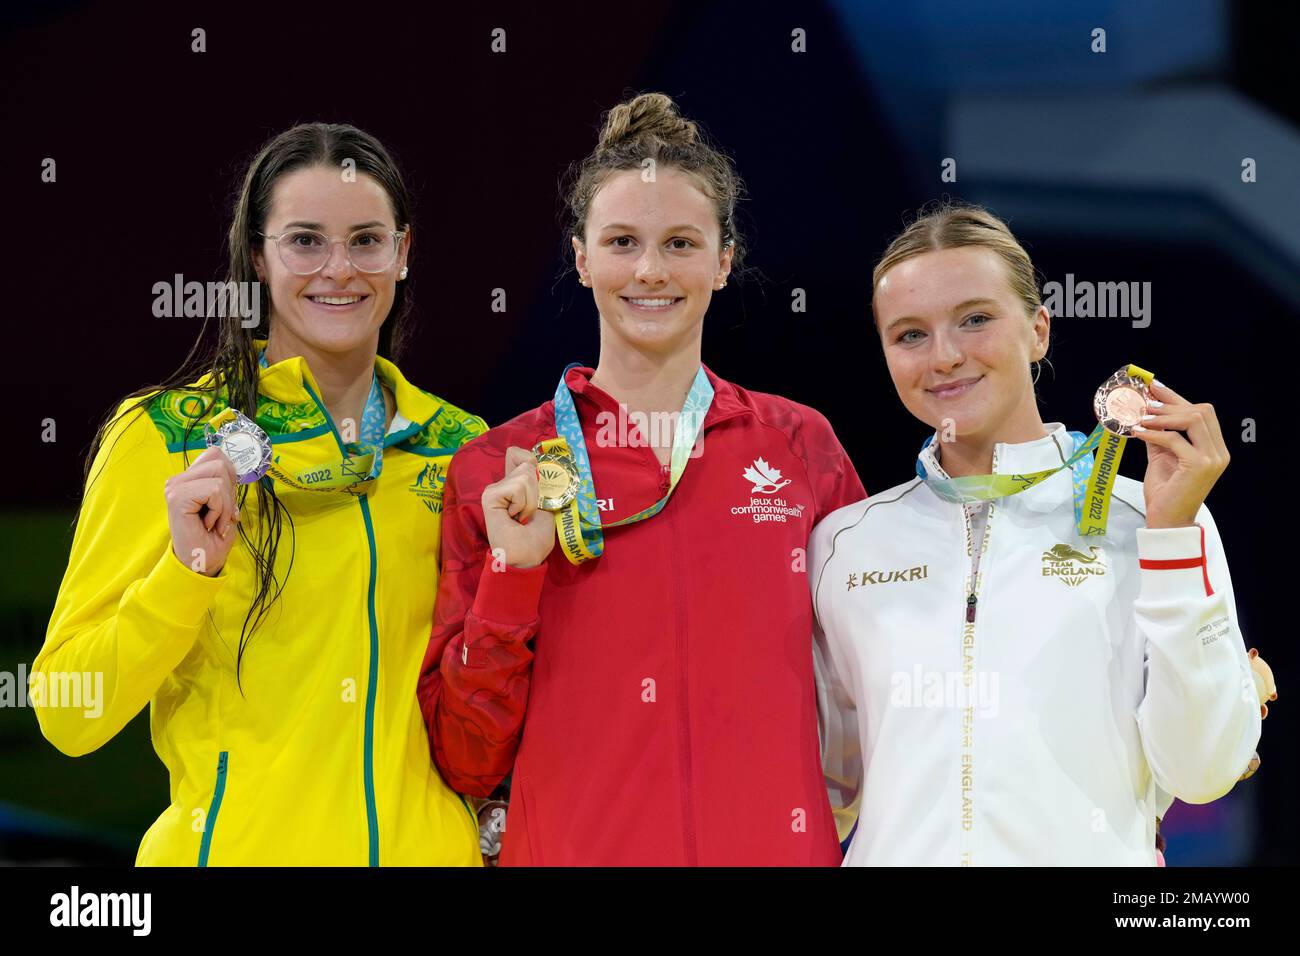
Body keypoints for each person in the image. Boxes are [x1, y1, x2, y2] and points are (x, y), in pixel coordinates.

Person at [417, 92, 865, 865]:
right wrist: (511, 577)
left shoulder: (800, 446)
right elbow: (465, 759)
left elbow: (882, 680)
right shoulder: (500, 468)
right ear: (582, 257)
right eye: (623, 241)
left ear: (725, 261)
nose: (650, 270)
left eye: (681, 244)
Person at [31, 123, 485, 866]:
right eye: (305, 241)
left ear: (402, 254)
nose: (339, 269)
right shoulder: (169, 436)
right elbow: (66, 712)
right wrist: (185, 576)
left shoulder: (463, 449)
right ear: (256, 257)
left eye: (366, 241)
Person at [810, 202, 1261, 865]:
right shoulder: (846, 544)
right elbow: (825, 790)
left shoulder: (1153, 518)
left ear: (1039, 330)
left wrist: (1172, 541)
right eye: (909, 334)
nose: (944, 356)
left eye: (975, 319)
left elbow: (1203, 771)